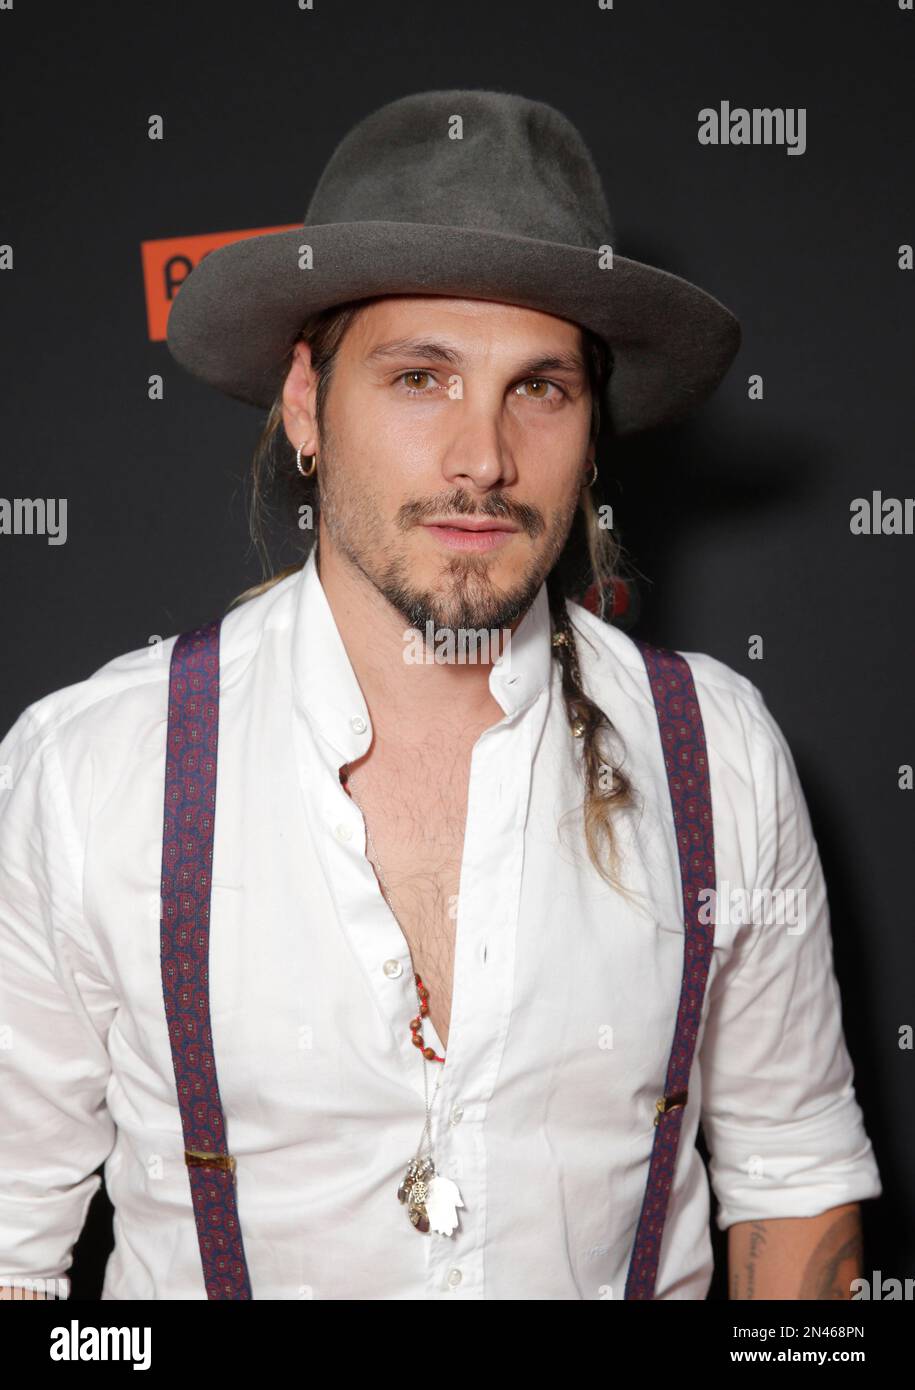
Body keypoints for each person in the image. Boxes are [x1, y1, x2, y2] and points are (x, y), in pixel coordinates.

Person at [0, 89, 880, 1301]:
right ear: (308, 404)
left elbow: (791, 1171)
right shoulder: (89, 769)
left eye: (540, 388)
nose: (484, 456)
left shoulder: (714, 748)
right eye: (422, 378)